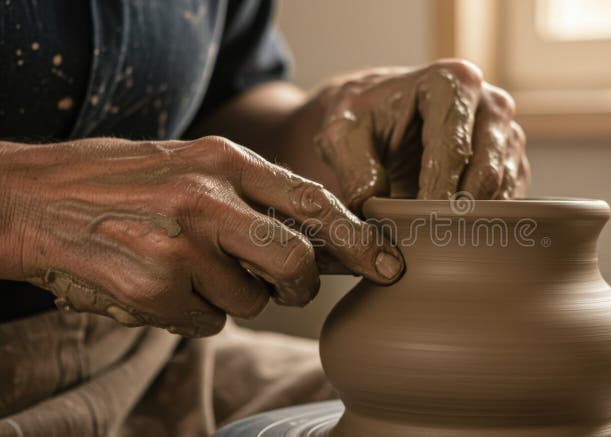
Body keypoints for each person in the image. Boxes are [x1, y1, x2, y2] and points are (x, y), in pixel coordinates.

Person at [0, 1, 529, 435]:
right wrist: (24, 206)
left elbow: (228, 99)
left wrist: (333, 138)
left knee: (497, 415)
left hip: (147, 358)